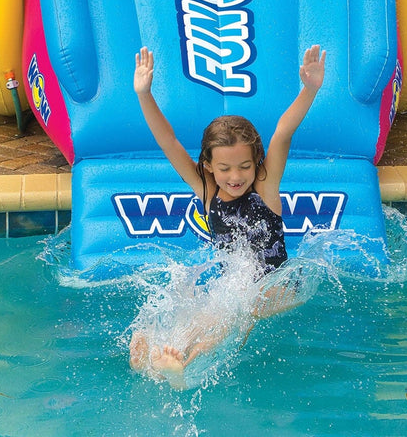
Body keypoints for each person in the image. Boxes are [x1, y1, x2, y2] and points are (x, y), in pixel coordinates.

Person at [128, 43, 326, 387]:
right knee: (201, 305)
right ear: (208, 166)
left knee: (235, 307)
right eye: (225, 168)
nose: (236, 177)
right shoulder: (206, 190)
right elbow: (168, 142)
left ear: (257, 163)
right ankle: (161, 362)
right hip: (238, 287)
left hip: (280, 288)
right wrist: (144, 94)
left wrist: (309, 88)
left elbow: (282, 132)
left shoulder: (265, 186)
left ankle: (187, 365)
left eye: (245, 166)